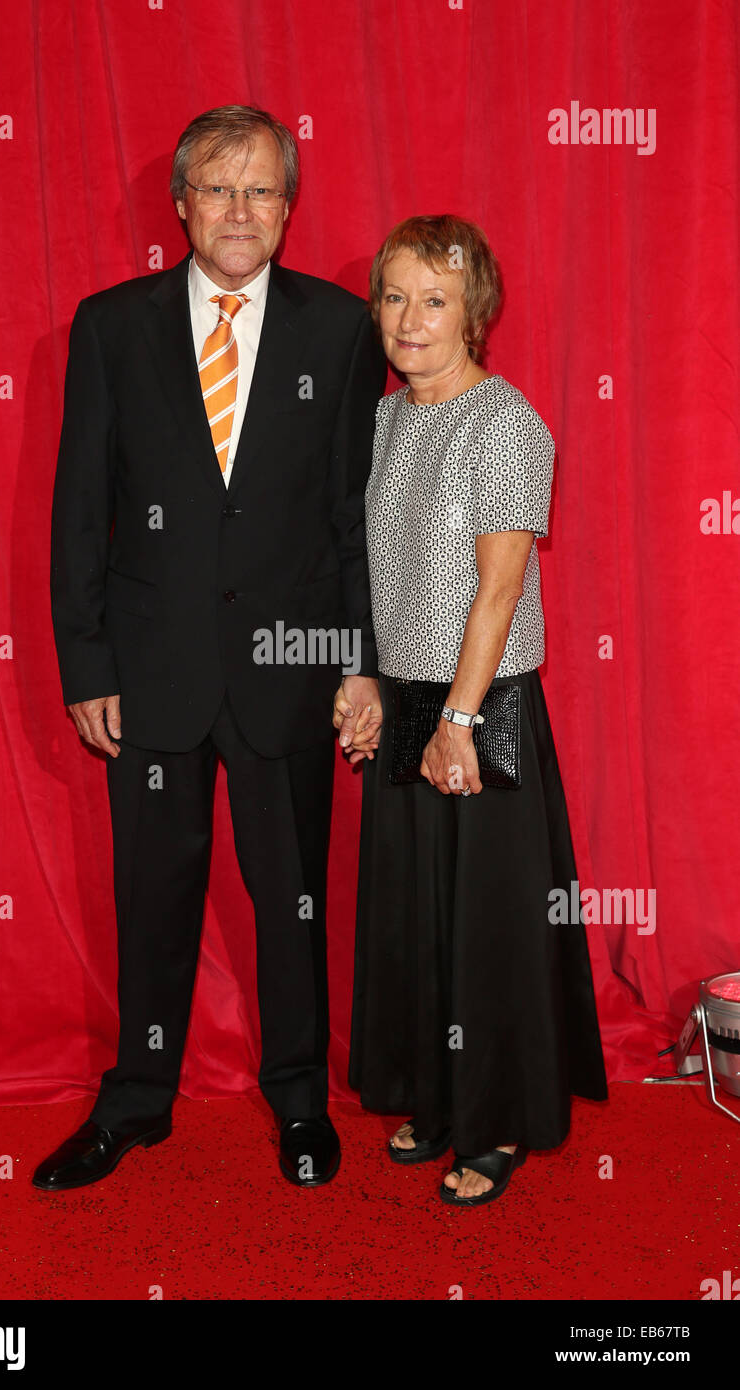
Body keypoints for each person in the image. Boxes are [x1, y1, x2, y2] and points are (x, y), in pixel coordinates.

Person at [35, 105, 387, 1193]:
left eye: (263, 191)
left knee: (290, 901)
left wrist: (358, 660)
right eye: (219, 189)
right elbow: (78, 506)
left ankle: (297, 1100)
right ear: (180, 203)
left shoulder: (338, 332)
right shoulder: (109, 327)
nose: (240, 211)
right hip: (151, 674)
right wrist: (86, 663)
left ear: (288, 208)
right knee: (153, 895)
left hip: (292, 668)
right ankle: (137, 1100)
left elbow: (352, 516)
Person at [335, 215, 608, 1207]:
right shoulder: (382, 418)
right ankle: (438, 1093)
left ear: (474, 313)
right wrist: (360, 678)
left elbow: (495, 589)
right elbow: (367, 568)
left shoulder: (505, 424)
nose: (410, 321)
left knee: (487, 924)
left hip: (477, 708)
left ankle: (494, 1122)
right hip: (405, 697)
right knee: (415, 915)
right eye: (394, 297)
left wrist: (456, 722)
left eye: (434, 300)